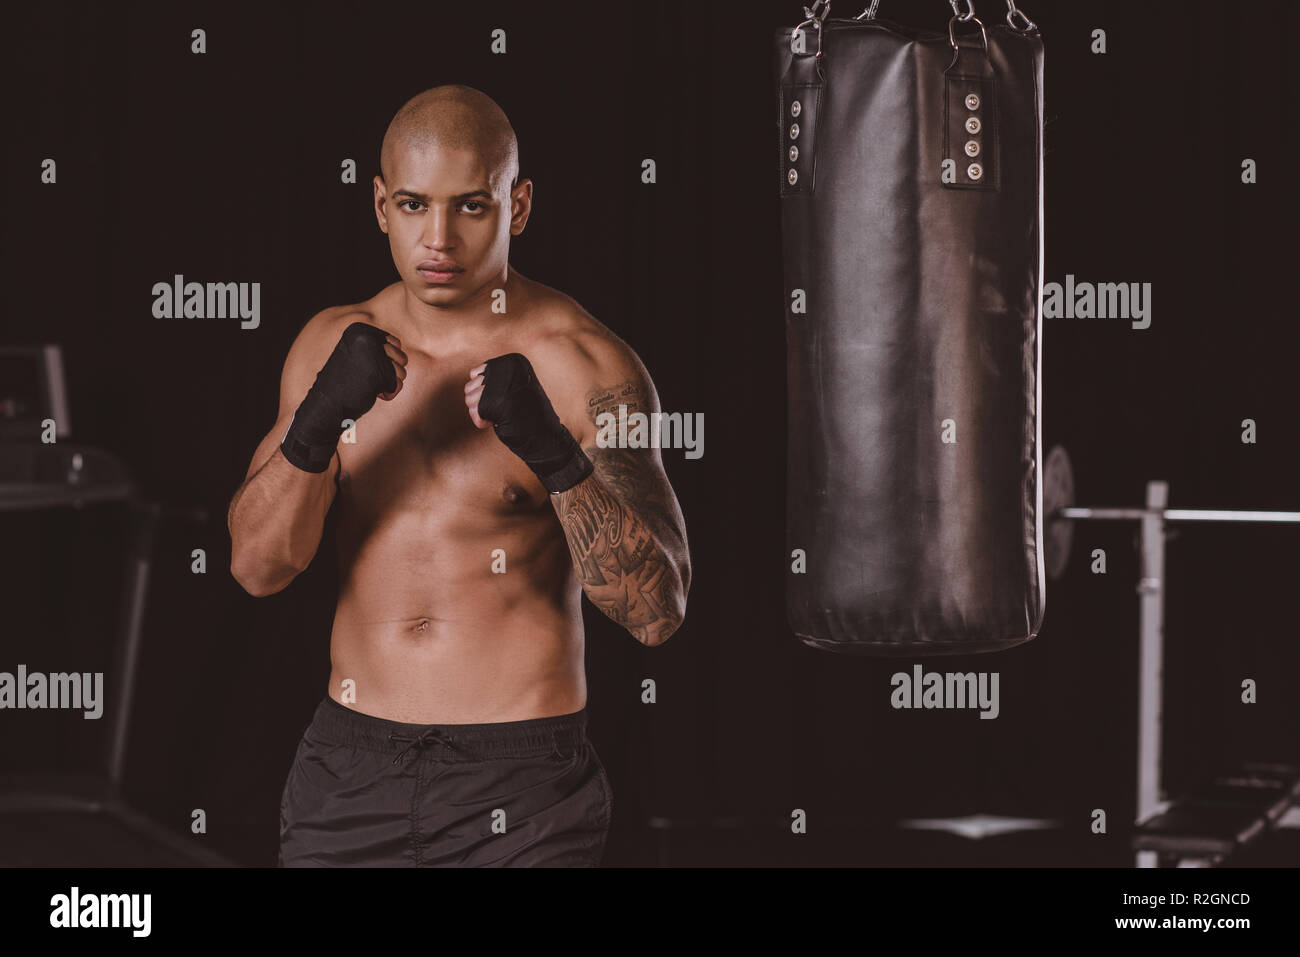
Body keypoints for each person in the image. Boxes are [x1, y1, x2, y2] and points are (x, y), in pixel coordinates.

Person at [226, 84, 691, 866]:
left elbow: (657, 609)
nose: (438, 237)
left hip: (520, 782)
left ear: (520, 204)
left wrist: (554, 453)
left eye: (471, 206)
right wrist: (317, 422)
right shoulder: (327, 346)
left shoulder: (586, 364)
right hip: (348, 769)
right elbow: (256, 568)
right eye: (413, 205)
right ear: (380, 204)